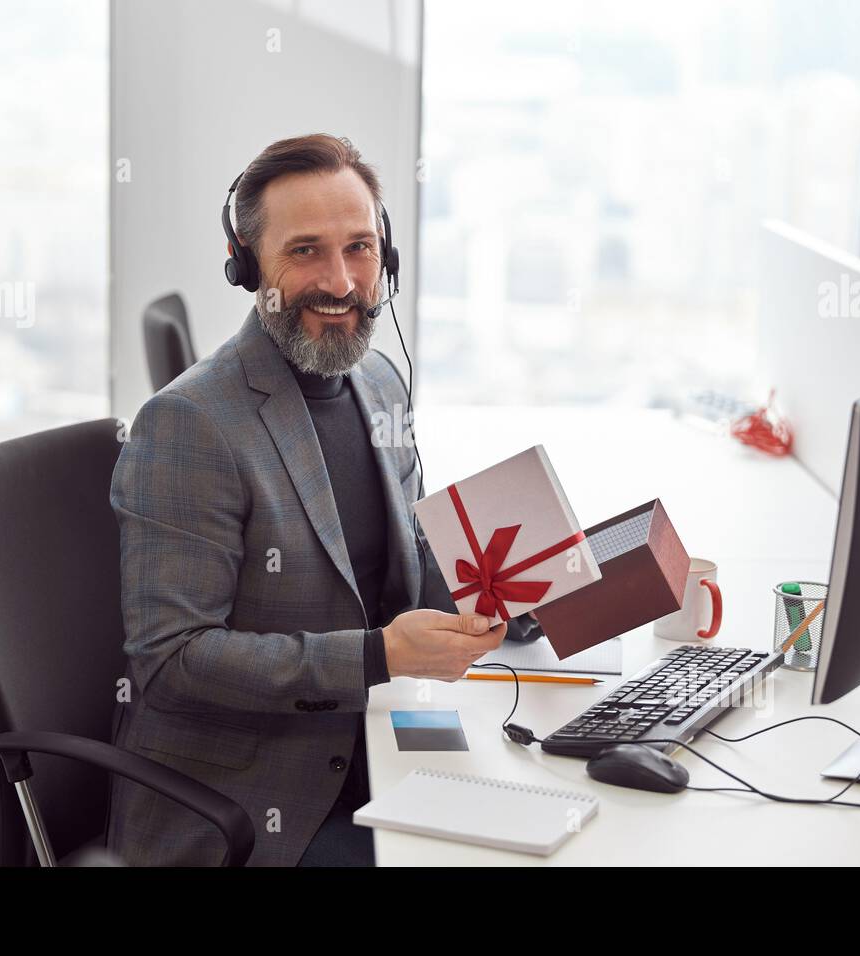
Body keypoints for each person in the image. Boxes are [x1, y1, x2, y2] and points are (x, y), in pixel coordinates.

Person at [105, 133, 539, 867]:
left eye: (360, 248)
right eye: (305, 251)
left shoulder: (380, 385)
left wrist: (520, 585)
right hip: (253, 795)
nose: (340, 281)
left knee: (548, 821)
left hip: (378, 734)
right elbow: (172, 660)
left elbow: (408, 562)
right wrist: (375, 655)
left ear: (386, 258)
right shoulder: (191, 424)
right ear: (248, 265)